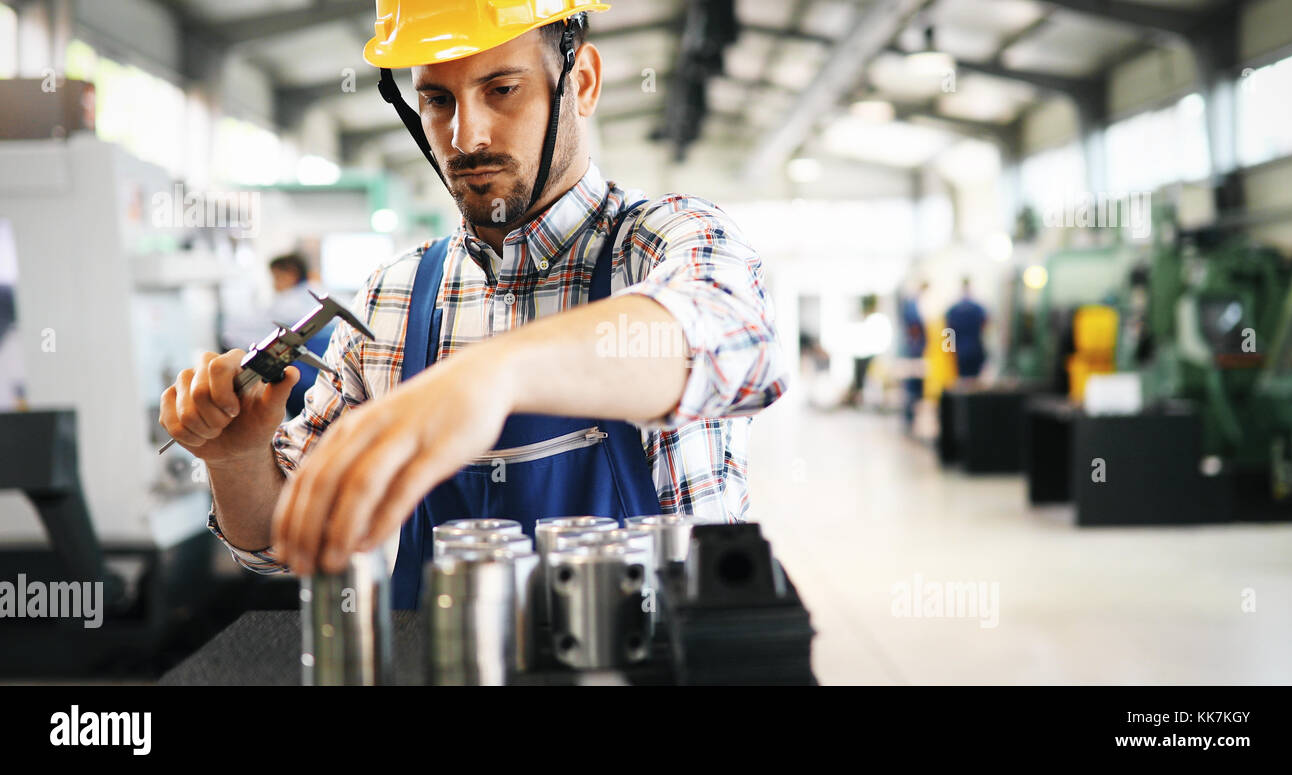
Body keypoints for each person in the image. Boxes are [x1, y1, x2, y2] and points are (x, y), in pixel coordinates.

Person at [158, 1, 787, 608]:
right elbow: (285, 541)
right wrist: (238, 459)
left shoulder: (667, 242)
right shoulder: (395, 296)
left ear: (583, 83)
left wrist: (495, 374)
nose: (466, 135)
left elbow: (739, 346)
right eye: (437, 100)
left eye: (502, 88)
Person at [945, 277, 988, 379]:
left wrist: (948, 351)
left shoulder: (953, 309)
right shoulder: (978, 308)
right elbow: (985, 326)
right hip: (976, 349)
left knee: (961, 381)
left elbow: (947, 331)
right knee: (975, 381)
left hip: (959, 352)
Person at [898, 281, 927, 430]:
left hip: (920, 351)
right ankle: (910, 420)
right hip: (917, 352)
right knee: (913, 387)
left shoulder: (917, 306)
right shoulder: (914, 305)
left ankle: (911, 420)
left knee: (915, 388)